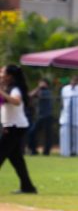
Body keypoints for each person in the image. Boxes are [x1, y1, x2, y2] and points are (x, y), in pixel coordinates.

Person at [2, 65, 39, 194]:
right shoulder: (6, 88)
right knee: (17, 160)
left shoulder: (15, 89)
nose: (1, 73)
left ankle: (28, 186)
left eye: (2, 72)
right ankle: (28, 187)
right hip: (11, 126)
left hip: (16, 127)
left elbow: (16, 101)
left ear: (9, 76)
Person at [59, 75, 78, 157]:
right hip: (66, 117)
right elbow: (62, 102)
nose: (74, 82)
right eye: (73, 80)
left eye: (76, 80)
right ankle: (65, 153)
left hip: (77, 117)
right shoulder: (65, 89)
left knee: (77, 137)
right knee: (65, 135)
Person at [28, 77, 55, 155]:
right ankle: (33, 150)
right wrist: (38, 87)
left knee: (47, 135)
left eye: (42, 83)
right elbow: (30, 95)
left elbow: (38, 95)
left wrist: (39, 88)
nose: (40, 84)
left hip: (47, 116)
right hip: (39, 116)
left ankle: (46, 152)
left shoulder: (47, 92)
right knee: (32, 132)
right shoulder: (39, 90)